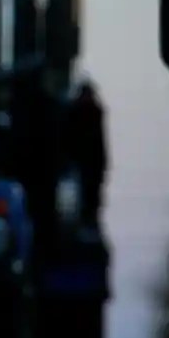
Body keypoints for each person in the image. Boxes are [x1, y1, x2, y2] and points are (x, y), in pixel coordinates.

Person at [63, 78, 108, 227]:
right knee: (88, 201)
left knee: (82, 201)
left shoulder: (75, 110)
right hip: (89, 163)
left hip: (81, 163)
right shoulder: (95, 111)